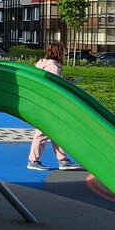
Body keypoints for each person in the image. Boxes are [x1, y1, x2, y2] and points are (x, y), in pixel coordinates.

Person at [27, 42, 82, 171]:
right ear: (59, 52)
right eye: (63, 51)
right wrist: (66, 85)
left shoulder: (44, 64)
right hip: (49, 104)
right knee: (43, 132)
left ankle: (62, 160)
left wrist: (64, 80)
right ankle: (33, 160)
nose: (64, 54)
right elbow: (54, 87)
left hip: (41, 102)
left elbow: (49, 81)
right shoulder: (53, 67)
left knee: (55, 132)